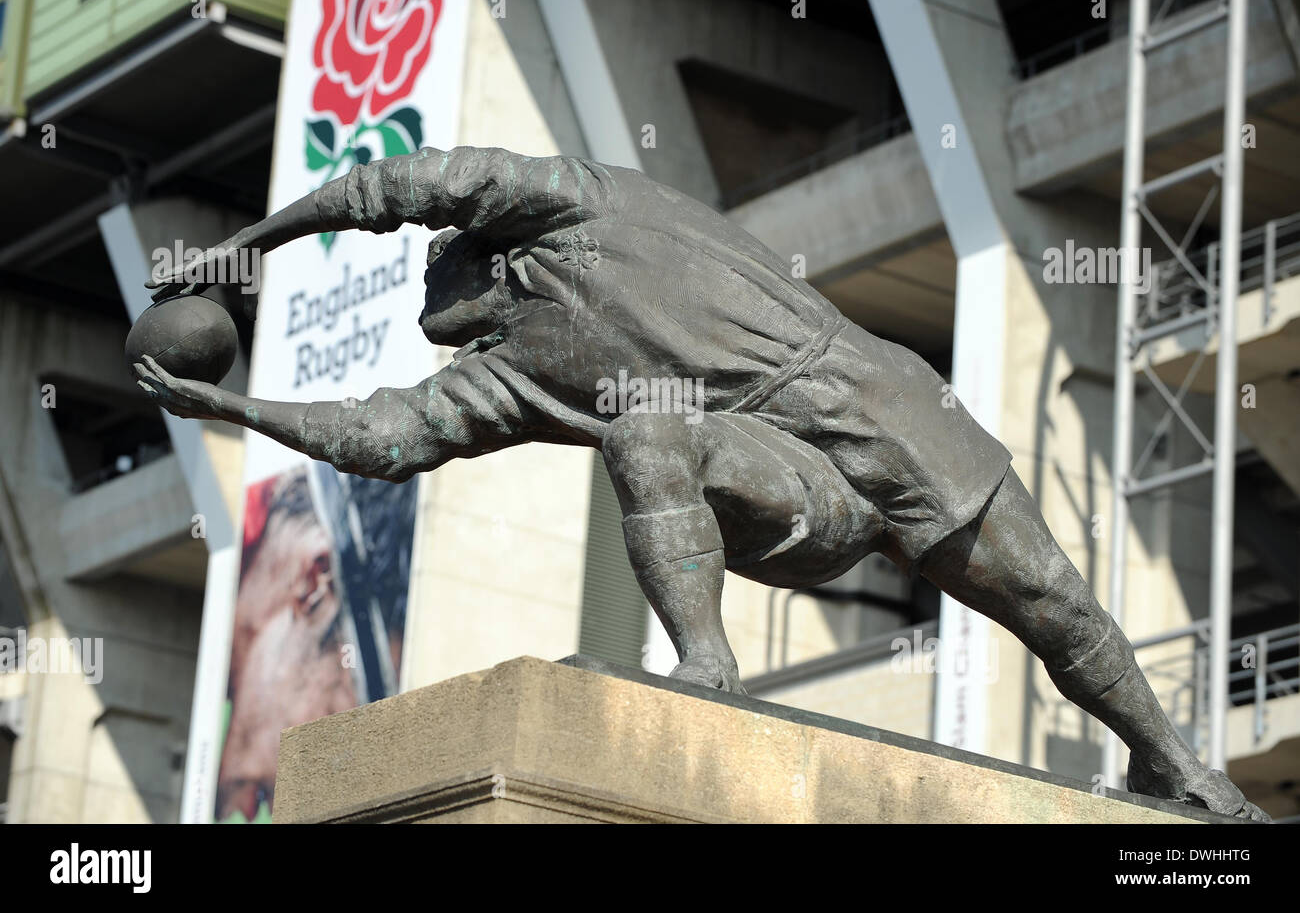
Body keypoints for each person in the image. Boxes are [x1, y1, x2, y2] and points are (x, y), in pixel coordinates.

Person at [138, 146, 1267, 820]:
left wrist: (247, 245)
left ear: (475, 253)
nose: (424, 302)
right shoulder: (511, 375)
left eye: (434, 272)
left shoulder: (574, 205)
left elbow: (405, 180)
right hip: (782, 479)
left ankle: (1179, 771)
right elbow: (386, 435)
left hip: (877, 410)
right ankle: (708, 669)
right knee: (647, 432)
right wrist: (231, 411)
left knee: (1051, 605)